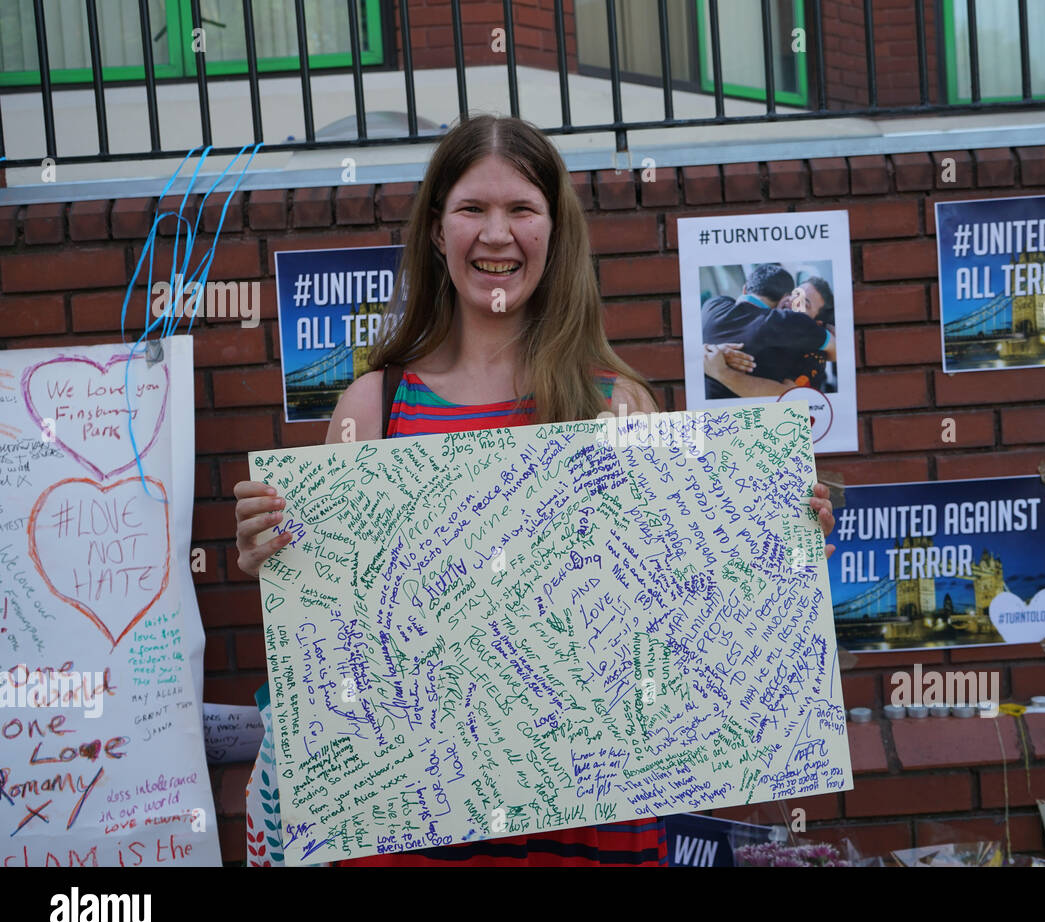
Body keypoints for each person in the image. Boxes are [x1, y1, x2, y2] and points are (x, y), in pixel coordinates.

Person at [233, 114, 837, 866]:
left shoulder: (617, 404)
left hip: (586, 816)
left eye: (521, 209)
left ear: (555, 233)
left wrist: (775, 535)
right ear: (434, 230)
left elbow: (674, 614)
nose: (496, 234)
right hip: (421, 821)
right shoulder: (371, 408)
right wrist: (283, 562)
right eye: (472, 209)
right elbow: (348, 643)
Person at [703, 269, 836, 399]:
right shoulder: (727, 308)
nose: (791, 301)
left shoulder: (812, 356)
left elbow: (790, 398)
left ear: (818, 323)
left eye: (803, 303)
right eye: (794, 294)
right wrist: (710, 351)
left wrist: (721, 371)